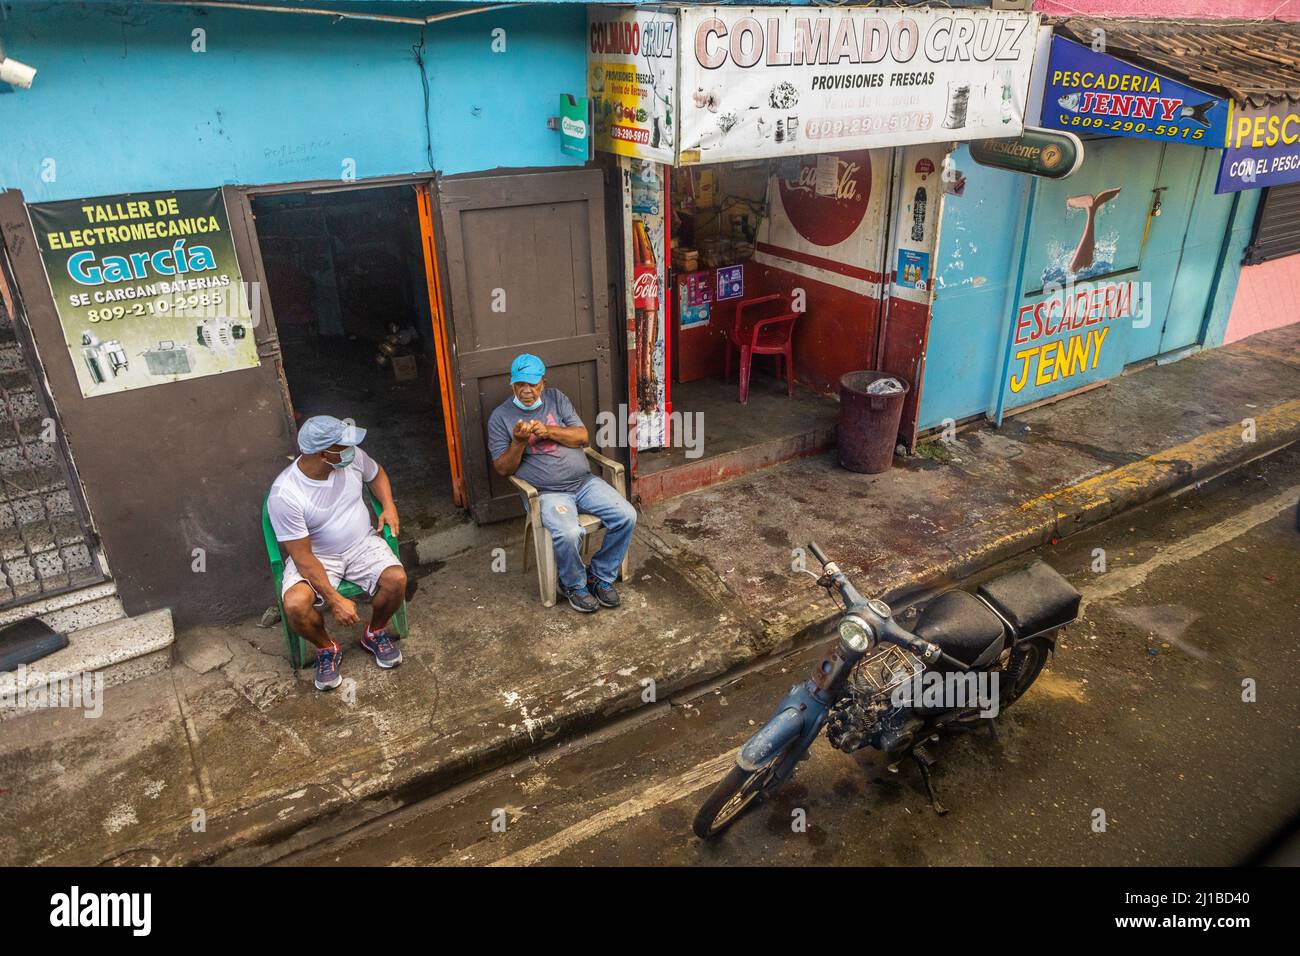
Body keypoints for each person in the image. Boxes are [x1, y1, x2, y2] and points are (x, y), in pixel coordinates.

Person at [267, 415, 408, 691]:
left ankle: (375, 631)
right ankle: (326, 647)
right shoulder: (285, 495)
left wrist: (389, 504)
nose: (351, 451)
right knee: (296, 605)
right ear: (323, 453)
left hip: (361, 544)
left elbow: (376, 473)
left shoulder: (351, 458)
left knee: (397, 579)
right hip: (318, 557)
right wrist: (335, 599)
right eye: (343, 446)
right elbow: (303, 558)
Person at [488, 353, 636, 613]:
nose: (526, 390)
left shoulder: (557, 399)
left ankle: (599, 576)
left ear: (542, 383)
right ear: (512, 385)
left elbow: (582, 436)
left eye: (532, 384)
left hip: (584, 483)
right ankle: (574, 584)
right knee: (569, 533)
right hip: (547, 494)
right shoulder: (501, 417)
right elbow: (503, 469)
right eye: (520, 384)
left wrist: (549, 431)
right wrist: (518, 443)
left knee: (627, 515)